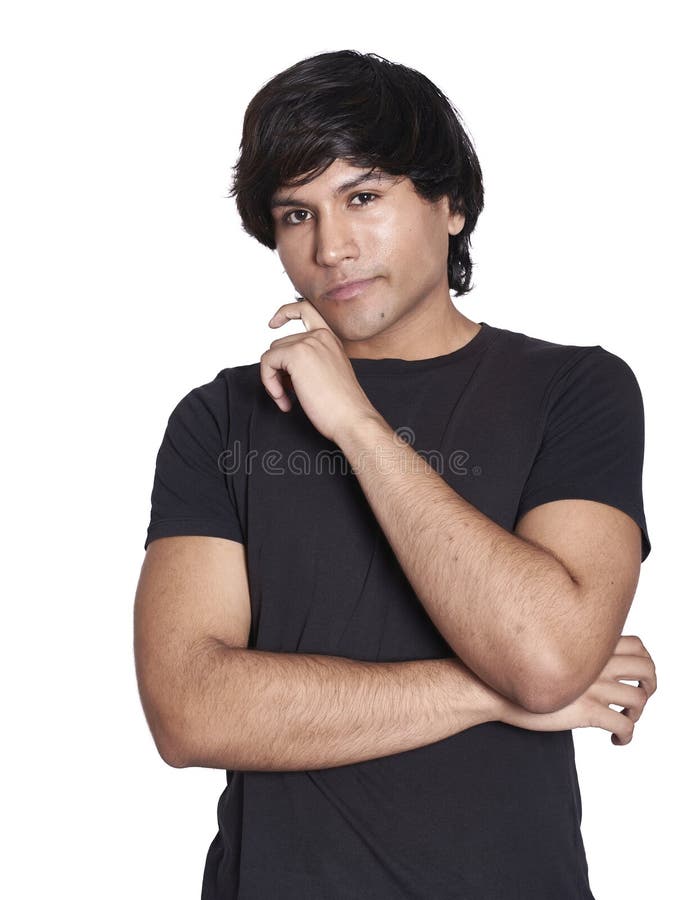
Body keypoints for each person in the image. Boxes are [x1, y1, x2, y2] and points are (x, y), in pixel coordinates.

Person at [134, 50, 657, 899]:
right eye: (295, 213)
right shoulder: (222, 418)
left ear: (450, 205)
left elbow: (548, 651)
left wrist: (354, 421)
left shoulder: (577, 390)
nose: (331, 247)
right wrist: (496, 693)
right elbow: (190, 711)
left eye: (364, 197)